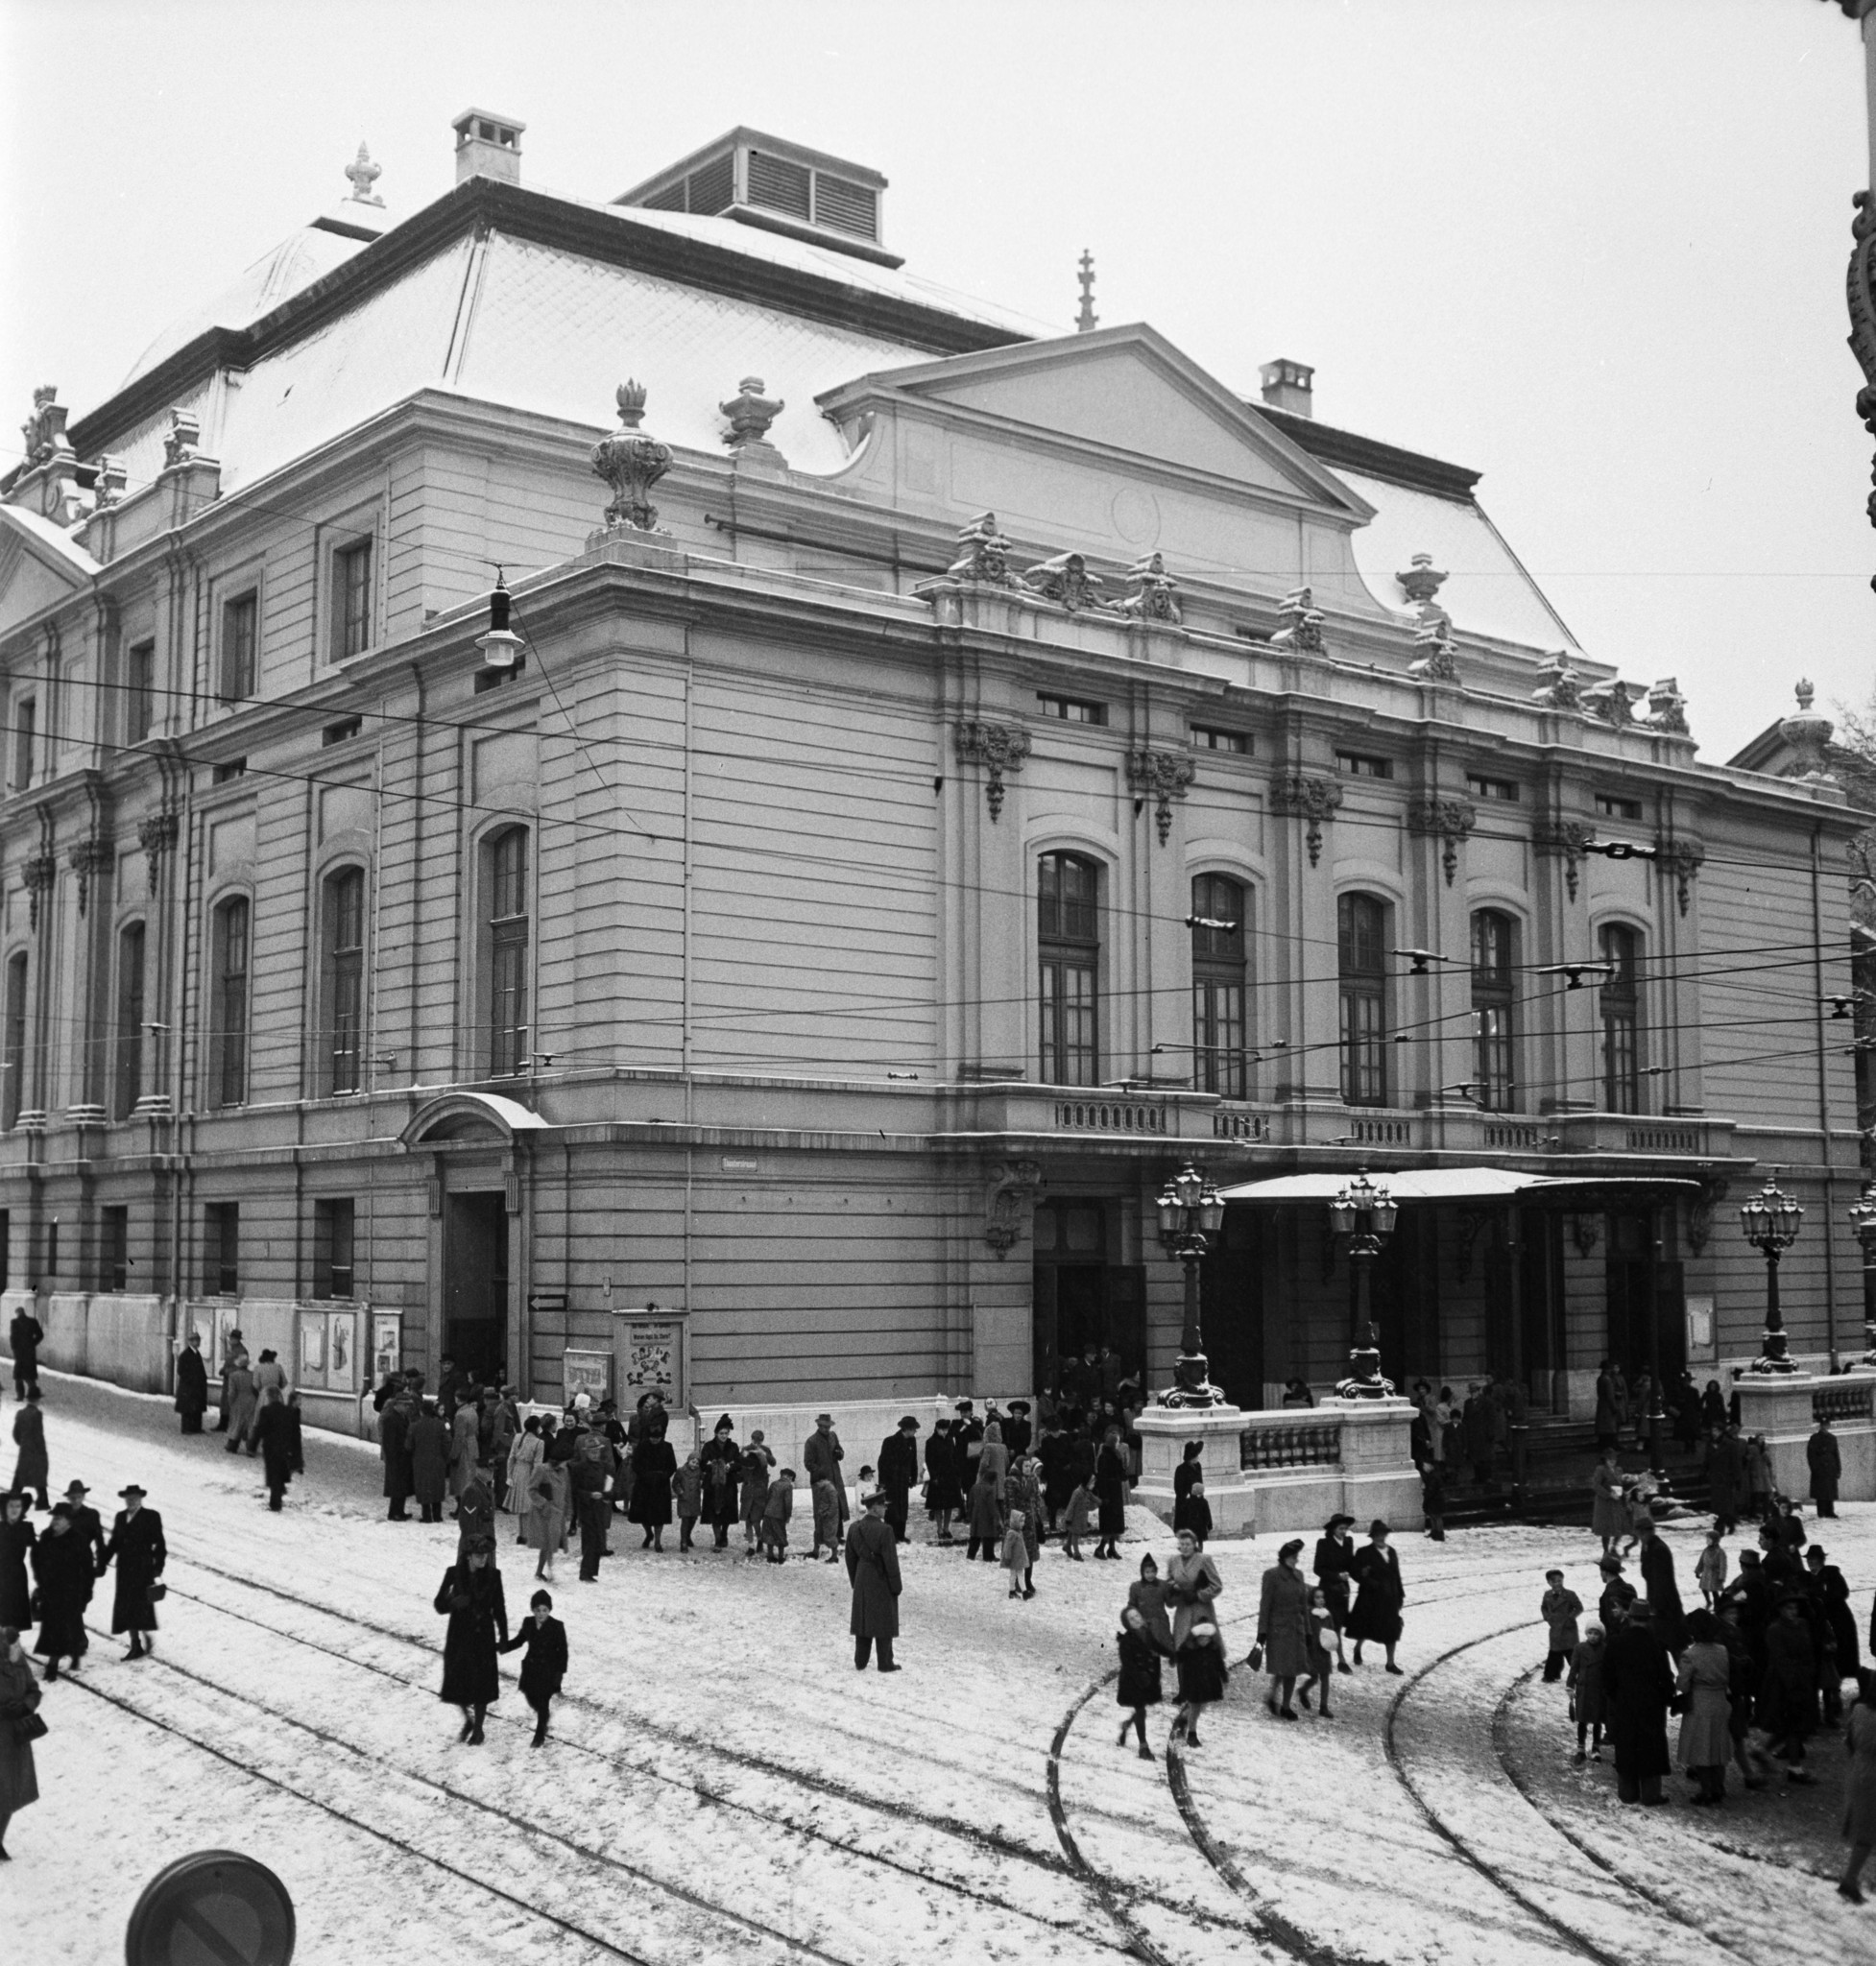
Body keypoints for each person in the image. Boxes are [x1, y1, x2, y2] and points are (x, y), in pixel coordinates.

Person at [435, 1536, 508, 1744]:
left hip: (483, 1635)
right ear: (468, 1556)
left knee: (482, 1685)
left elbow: (499, 1608)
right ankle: (468, 1719)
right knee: (457, 1681)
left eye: (485, 1555)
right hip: (459, 1634)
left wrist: (503, 1636)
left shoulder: (494, 1576)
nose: (483, 1559)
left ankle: (478, 1729)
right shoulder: (453, 1573)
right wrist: (453, 1603)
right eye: (478, 1555)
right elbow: (439, 1604)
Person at [1603, 1597, 1673, 1804]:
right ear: (1647, 1620)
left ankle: (1627, 1793)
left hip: (1625, 1702)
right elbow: (1665, 1677)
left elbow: (1607, 1677)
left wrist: (1616, 1697)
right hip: (1651, 1704)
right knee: (1650, 1747)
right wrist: (1666, 1698)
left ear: (1631, 1617)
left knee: (1626, 1744)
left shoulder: (1616, 1642)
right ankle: (1651, 1795)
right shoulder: (1656, 1645)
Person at [98, 1484, 165, 1660]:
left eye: (134, 1498)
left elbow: (160, 1544)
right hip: (124, 1569)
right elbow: (114, 1543)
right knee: (126, 1606)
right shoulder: (120, 1517)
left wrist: (158, 1568)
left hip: (143, 1569)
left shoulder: (151, 1516)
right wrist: (102, 1563)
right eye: (128, 1499)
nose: (131, 1501)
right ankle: (135, 1644)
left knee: (141, 1606)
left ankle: (146, 1635)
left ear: (141, 1499)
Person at [1675, 1607, 1733, 1805]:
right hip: (1720, 1701)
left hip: (1700, 1702)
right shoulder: (1723, 1650)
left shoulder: (1690, 1654)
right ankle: (1719, 1787)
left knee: (1701, 1749)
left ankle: (1707, 1790)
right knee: (1718, 1748)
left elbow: (1682, 1684)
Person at [1759, 1594, 1821, 1774]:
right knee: (1792, 1722)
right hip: (1783, 1683)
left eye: (1794, 1608)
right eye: (1788, 1608)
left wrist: (1808, 1673)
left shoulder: (1802, 1624)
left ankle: (1764, 1752)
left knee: (1791, 1724)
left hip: (1801, 1678)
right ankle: (1794, 1767)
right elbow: (1780, 1660)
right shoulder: (1775, 1630)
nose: (1793, 1612)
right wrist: (1794, 1683)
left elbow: (1809, 1651)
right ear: (1780, 1610)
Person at [499, 1588, 567, 1748]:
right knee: (531, 1698)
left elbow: (563, 1653)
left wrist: (558, 1677)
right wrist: (500, 1647)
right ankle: (543, 1716)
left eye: (545, 1610)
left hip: (548, 1671)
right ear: (533, 1610)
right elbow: (519, 1641)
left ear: (550, 1610)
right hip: (530, 1669)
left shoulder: (557, 1626)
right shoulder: (528, 1622)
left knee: (543, 1702)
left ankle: (539, 1733)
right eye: (538, 1610)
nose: (541, 1614)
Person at [30, 1503, 90, 1678]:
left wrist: (86, 1593)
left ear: (68, 1521)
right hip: (50, 1590)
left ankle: (64, 1659)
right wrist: (41, 1582)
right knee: (53, 1627)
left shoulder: (78, 1539)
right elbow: (36, 1558)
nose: (54, 1521)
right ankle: (61, 1660)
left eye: (59, 1518)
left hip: (72, 1592)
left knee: (69, 1626)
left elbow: (87, 1569)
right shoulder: (47, 1536)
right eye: (54, 1517)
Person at [847, 1489, 902, 1671]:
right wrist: (896, 1585)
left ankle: (860, 1660)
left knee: (863, 1619)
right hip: (881, 1578)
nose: (885, 1509)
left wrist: (856, 1580)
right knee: (884, 1619)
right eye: (883, 1506)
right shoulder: (885, 1530)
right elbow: (890, 1561)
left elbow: (850, 1558)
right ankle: (885, 1662)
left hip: (862, 1577)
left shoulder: (854, 1528)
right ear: (875, 1508)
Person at [0, 1626, 40, 1858]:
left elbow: (34, 1690)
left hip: (16, 1737)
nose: (16, 1645)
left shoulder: (19, 1661)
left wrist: (26, 1705)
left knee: (12, 1793)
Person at [1347, 1521, 1405, 1673]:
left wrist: (1400, 1594)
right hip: (1370, 1597)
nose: (1380, 1537)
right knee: (1365, 1627)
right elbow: (1354, 1571)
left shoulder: (1391, 1551)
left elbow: (1396, 1574)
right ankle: (1357, 1648)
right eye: (1377, 1535)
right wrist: (1365, 1578)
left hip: (1390, 1596)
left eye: (1383, 1534)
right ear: (1372, 1537)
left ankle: (1390, 1663)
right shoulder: (1364, 1552)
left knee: (1392, 1629)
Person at [1841, 1667, 1876, 1904]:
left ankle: (1851, 1878)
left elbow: (1849, 1743)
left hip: (1860, 1771)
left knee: (1865, 1831)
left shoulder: (1860, 1710)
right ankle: (1850, 1880)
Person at [1116, 1605, 1163, 1759]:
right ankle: (1143, 1747)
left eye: (1137, 1616)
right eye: (1132, 1618)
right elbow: (1127, 1663)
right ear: (1127, 1623)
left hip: (1149, 1678)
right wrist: (1140, 1677)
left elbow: (1157, 1648)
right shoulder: (1126, 1641)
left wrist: (1173, 1654)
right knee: (1141, 1710)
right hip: (1133, 1681)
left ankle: (1127, 1725)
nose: (1136, 1620)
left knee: (1141, 1710)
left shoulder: (1147, 1633)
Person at [1165, 1525, 1222, 1651]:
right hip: (1183, 1609)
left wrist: (1198, 1595)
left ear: (1194, 1544)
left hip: (1201, 1609)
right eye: (1182, 1544)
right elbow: (1169, 1579)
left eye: (1188, 1544)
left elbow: (1217, 1585)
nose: (1184, 1547)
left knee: (1202, 1647)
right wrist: (1174, 1587)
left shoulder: (1204, 1559)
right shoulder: (1173, 1560)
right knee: (1183, 1646)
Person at [1634, 1516, 1685, 1657]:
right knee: (1659, 1649)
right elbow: (1647, 1575)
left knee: (1676, 1648)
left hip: (1665, 1608)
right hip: (1658, 1606)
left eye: (1639, 1534)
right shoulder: (1649, 1547)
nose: (1639, 1538)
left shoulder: (1658, 1549)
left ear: (1644, 1532)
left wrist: (1656, 1608)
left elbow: (1661, 1582)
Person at [1174, 1620, 1228, 1748]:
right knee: (1196, 1708)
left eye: (1207, 1638)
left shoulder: (1213, 1649)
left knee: (1200, 1707)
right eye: (1202, 1638)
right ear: (1196, 1638)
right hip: (1194, 1683)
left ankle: (1184, 1718)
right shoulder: (1190, 1649)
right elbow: (1179, 1656)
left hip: (1208, 1683)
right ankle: (1192, 1734)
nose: (1204, 1641)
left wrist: (1223, 1676)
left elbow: (1219, 1664)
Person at [1313, 1515, 1357, 1666]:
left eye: (1346, 1528)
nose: (1344, 1531)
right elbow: (1318, 1568)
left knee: (1338, 1623)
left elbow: (1351, 1564)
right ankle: (1340, 1659)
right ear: (1333, 1529)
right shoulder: (1324, 1543)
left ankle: (1335, 1656)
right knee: (1331, 1624)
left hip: (1343, 1590)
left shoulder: (1348, 1542)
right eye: (1341, 1528)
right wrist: (1337, 1576)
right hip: (1328, 1589)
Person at [628, 1422, 676, 1552]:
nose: (654, 1440)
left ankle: (658, 1542)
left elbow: (672, 1466)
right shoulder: (642, 1446)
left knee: (659, 1516)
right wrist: (645, 1475)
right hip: (644, 1484)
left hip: (661, 1485)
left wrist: (663, 1476)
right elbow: (635, 1465)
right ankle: (649, 1533)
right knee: (643, 1514)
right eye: (652, 1437)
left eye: (658, 1438)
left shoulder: (667, 1447)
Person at [1299, 1585, 1344, 1718]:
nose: (1321, 1600)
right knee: (1313, 1676)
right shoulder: (1309, 1614)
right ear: (1312, 1599)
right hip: (1311, 1649)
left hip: (1324, 1650)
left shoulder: (1327, 1614)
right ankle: (1303, 1691)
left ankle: (1323, 1706)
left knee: (1325, 1677)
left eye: (1322, 1597)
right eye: (1318, 1597)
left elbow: (1332, 1632)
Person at [252, 1386, 301, 1511]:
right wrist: (296, 1453)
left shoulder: (266, 1410)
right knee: (279, 1473)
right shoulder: (288, 1411)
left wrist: (252, 1445)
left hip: (270, 1447)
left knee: (274, 1475)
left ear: (269, 1397)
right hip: (284, 1447)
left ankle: (275, 1504)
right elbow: (295, 1433)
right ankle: (278, 1494)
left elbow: (260, 1430)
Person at [699, 1415, 741, 1551]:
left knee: (726, 1512)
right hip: (713, 1484)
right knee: (715, 1513)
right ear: (716, 1433)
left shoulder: (733, 1446)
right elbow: (702, 1464)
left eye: (726, 1433)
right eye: (721, 1433)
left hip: (728, 1484)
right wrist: (711, 1466)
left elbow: (739, 1463)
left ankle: (724, 1533)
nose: (723, 1436)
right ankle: (718, 1539)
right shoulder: (708, 1446)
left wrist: (730, 1467)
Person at [1569, 1621, 1608, 1762]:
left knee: (1597, 1720)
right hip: (1584, 1688)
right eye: (1590, 1633)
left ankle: (1596, 1748)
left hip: (1598, 1689)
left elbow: (1608, 1670)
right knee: (1582, 1720)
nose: (1593, 1636)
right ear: (1586, 1633)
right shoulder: (1580, 1648)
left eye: (1596, 1634)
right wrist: (1570, 1686)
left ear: (1601, 1635)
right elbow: (1574, 1668)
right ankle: (1581, 1747)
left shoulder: (1605, 1649)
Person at [878, 1416, 920, 1545]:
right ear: (906, 1429)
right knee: (892, 1509)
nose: (915, 1432)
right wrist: (883, 1483)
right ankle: (892, 1535)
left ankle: (901, 1534)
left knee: (903, 1508)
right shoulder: (890, 1441)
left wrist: (913, 1476)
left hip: (903, 1480)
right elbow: (882, 1463)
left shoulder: (912, 1441)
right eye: (913, 1429)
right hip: (892, 1481)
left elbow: (914, 1460)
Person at [529, 1456, 568, 1583]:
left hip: (557, 1513)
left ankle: (544, 1571)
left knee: (551, 1543)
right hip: (544, 1513)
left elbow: (567, 1492)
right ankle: (543, 1571)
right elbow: (531, 1490)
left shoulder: (564, 1470)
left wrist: (568, 1511)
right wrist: (543, 1504)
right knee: (547, 1543)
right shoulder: (541, 1469)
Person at [1541, 1569, 1584, 1683]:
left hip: (1568, 1630)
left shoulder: (1570, 1594)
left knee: (1571, 1654)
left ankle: (1581, 1675)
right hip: (1555, 1629)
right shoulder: (1547, 1595)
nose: (1558, 1584)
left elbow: (1579, 1607)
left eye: (1560, 1581)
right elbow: (1544, 1607)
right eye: (1555, 1582)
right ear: (1549, 1583)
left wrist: (1570, 1618)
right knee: (1554, 1653)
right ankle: (1551, 1675)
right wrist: (1547, 1617)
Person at [1127, 1551, 1175, 1654]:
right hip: (1144, 1622)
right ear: (1142, 1572)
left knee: (1158, 1648)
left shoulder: (1163, 1585)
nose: (1150, 1575)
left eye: (1153, 1571)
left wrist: (1174, 1591)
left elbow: (1170, 1603)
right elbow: (1132, 1605)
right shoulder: (1136, 1587)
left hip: (1159, 1622)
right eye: (1147, 1572)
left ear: (1156, 1571)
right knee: (1145, 1648)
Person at [506, 1417, 543, 1545]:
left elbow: (511, 1458)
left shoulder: (517, 1437)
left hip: (517, 1471)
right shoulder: (539, 1442)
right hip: (528, 1473)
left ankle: (522, 1534)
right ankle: (526, 1535)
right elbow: (537, 1465)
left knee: (521, 1506)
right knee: (527, 1506)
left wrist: (509, 1475)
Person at [1094, 1425, 1128, 1562]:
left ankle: (1111, 1548)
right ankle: (1101, 1548)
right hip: (1109, 1493)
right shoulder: (1106, 1457)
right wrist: (1105, 1495)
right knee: (1110, 1522)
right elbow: (1103, 1477)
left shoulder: (1114, 1454)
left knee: (1115, 1522)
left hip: (1115, 1491)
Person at [738, 1430, 775, 1556]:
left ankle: (759, 1538)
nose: (756, 1443)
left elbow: (773, 1463)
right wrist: (744, 1458)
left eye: (759, 1441)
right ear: (751, 1439)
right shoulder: (746, 1449)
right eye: (754, 1440)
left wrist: (764, 1454)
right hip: (748, 1487)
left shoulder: (765, 1449)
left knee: (756, 1520)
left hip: (760, 1488)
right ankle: (750, 1546)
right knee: (747, 1520)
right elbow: (740, 1464)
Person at [1706, 1425, 1745, 1537]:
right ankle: (1730, 1521)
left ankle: (1719, 1527)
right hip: (1715, 1478)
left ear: (1721, 1432)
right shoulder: (1710, 1443)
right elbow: (1707, 1459)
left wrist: (1737, 1479)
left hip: (1726, 1478)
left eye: (1716, 1430)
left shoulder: (1730, 1444)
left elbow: (1736, 1463)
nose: (1714, 1433)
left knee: (1724, 1504)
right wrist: (1703, 1472)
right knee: (1719, 1504)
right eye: (1713, 1430)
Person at [10, 1389, 47, 1511]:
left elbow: (16, 1434)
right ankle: (42, 1502)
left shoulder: (20, 1413)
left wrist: (23, 1444)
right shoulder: (37, 1414)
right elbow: (38, 1436)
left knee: (20, 1476)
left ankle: (12, 1498)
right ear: (37, 1400)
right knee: (39, 1476)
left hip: (24, 1451)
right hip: (36, 1452)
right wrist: (41, 1452)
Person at [0, 1495, 33, 1633]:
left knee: (14, 1618)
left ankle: (9, 1649)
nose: (14, 1510)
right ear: (5, 1508)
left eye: (18, 1506)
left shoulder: (26, 1528)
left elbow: (40, 1550)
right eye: (11, 1506)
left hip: (17, 1576)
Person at [1590, 1448, 1627, 1559]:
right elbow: (1596, 1485)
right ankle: (1606, 1550)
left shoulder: (1619, 1470)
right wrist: (1608, 1494)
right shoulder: (1600, 1469)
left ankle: (1614, 1547)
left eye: (1614, 1459)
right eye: (1610, 1459)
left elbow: (1621, 1484)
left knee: (1619, 1525)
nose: (1613, 1461)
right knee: (1606, 1527)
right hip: (1605, 1502)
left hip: (1617, 1501)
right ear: (1605, 1459)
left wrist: (1623, 1494)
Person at [964, 1455, 1002, 1563]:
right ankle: (988, 1556)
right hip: (986, 1516)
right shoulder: (990, 1489)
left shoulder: (974, 1487)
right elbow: (991, 1505)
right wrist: (997, 1518)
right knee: (988, 1537)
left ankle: (971, 1555)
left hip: (976, 1515)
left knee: (975, 1536)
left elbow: (970, 1502)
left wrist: (969, 1514)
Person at [222, 1352, 257, 1458]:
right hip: (251, 1400)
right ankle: (251, 1447)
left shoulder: (233, 1376)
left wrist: (231, 1402)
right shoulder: (252, 1375)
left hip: (239, 1400)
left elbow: (231, 1392)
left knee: (237, 1423)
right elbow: (256, 1389)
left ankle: (232, 1445)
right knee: (250, 1424)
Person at [174, 1331, 209, 1435]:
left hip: (197, 1386)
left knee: (197, 1407)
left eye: (198, 1340)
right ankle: (186, 1428)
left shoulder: (197, 1353)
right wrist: (191, 1380)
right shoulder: (185, 1355)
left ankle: (196, 1427)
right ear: (191, 1342)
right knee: (187, 1408)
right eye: (195, 1340)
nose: (198, 1342)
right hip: (188, 1387)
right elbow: (181, 1371)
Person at [1808, 1416, 1841, 1520]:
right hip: (1820, 1468)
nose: (1825, 1427)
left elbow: (1836, 1454)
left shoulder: (1832, 1438)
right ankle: (1821, 1511)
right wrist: (1815, 1468)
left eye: (1826, 1425)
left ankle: (1830, 1511)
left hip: (1830, 1468)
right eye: (1823, 1425)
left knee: (1830, 1491)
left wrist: (1838, 1469)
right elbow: (1811, 1455)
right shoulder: (1814, 1438)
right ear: (1820, 1426)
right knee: (1821, 1491)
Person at [8, 1305, 43, 1401]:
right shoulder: (33, 1321)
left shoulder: (14, 1322)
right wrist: (33, 1343)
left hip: (20, 1352)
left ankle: (20, 1396)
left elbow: (13, 1337)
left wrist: (14, 1349)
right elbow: (40, 1335)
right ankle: (33, 1392)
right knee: (30, 1374)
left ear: (17, 1313)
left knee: (18, 1376)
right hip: (30, 1351)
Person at [672, 1446, 703, 1553]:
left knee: (693, 1519)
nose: (695, 1465)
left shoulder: (699, 1472)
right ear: (688, 1461)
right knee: (685, 1520)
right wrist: (680, 1492)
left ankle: (688, 1535)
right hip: (684, 1500)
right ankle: (683, 1541)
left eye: (697, 1463)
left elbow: (703, 1481)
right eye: (693, 1462)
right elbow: (675, 1483)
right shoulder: (681, 1471)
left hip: (694, 1499)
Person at [762, 1465, 795, 1564]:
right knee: (780, 1534)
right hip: (779, 1515)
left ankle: (770, 1556)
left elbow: (767, 1498)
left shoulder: (773, 1484)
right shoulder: (788, 1486)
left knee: (769, 1534)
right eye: (792, 1479)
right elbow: (788, 1502)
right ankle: (781, 1557)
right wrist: (788, 1515)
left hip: (768, 1513)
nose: (791, 1481)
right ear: (789, 1477)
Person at [1002, 1505, 1032, 1599]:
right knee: (1014, 1575)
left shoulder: (1019, 1532)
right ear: (1015, 1521)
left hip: (1018, 1559)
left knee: (1019, 1574)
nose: (1023, 1523)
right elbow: (1007, 1547)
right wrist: (1007, 1557)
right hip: (1013, 1559)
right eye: (1021, 1521)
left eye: (1023, 1521)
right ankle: (1015, 1591)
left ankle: (1021, 1591)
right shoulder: (1012, 1533)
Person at [1695, 1528, 1728, 1609]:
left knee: (1714, 1591)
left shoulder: (1720, 1552)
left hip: (1715, 1574)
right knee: (1704, 1588)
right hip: (1706, 1573)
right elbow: (1701, 1561)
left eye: (1709, 1539)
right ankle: (1708, 1601)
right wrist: (1698, 1571)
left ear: (1715, 1541)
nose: (1707, 1541)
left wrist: (1722, 1576)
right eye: (1707, 1539)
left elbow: (1723, 1566)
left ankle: (1717, 1604)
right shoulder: (1705, 1550)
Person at [1594, 1359, 1621, 1453]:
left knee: (1603, 1428)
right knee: (1609, 1428)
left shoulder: (1600, 1378)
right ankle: (1610, 1447)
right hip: (1607, 1408)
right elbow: (1610, 1396)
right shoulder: (1607, 1380)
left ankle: (1603, 1445)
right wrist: (1614, 1408)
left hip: (1602, 1405)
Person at [1062, 1476, 1093, 1560]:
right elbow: (1071, 1505)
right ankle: (1077, 1553)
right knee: (1075, 1534)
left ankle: (1068, 1546)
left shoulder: (1086, 1492)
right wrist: (1068, 1518)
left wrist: (1100, 1501)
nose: (1093, 1485)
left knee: (1072, 1531)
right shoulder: (1078, 1492)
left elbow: (1091, 1499)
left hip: (1080, 1518)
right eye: (1092, 1483)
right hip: (1075, 1518)